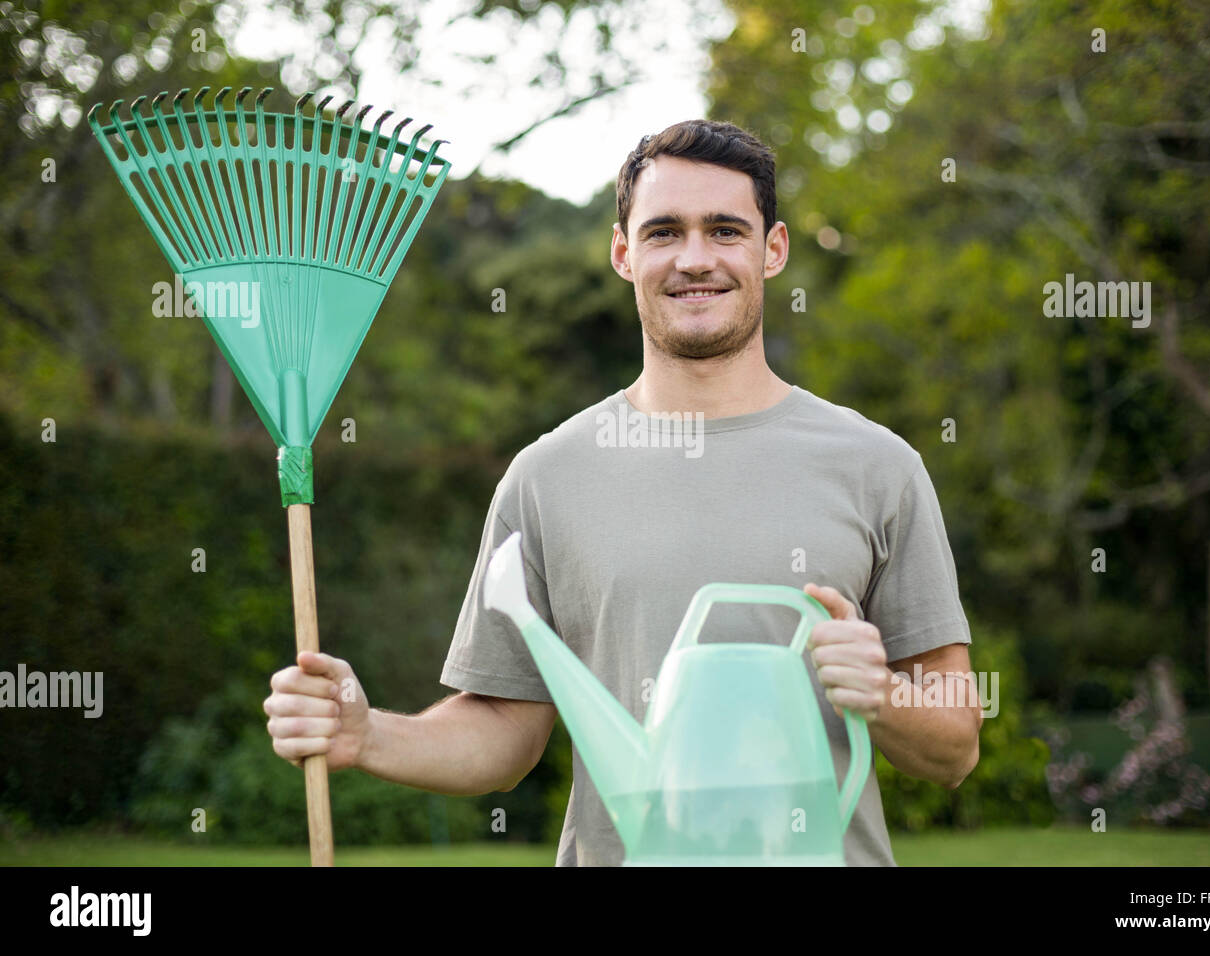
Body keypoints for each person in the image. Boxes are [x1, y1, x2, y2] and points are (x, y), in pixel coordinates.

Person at [265, 119, 981, 866]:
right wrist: (368, 734)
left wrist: (884, 695)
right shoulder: (546, 477)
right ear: (622, 251)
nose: (695, 259)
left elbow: (955, 744)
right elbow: (506, 732)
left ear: (773, 250)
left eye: (726, 230)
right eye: (665, 231)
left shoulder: (877, 465)